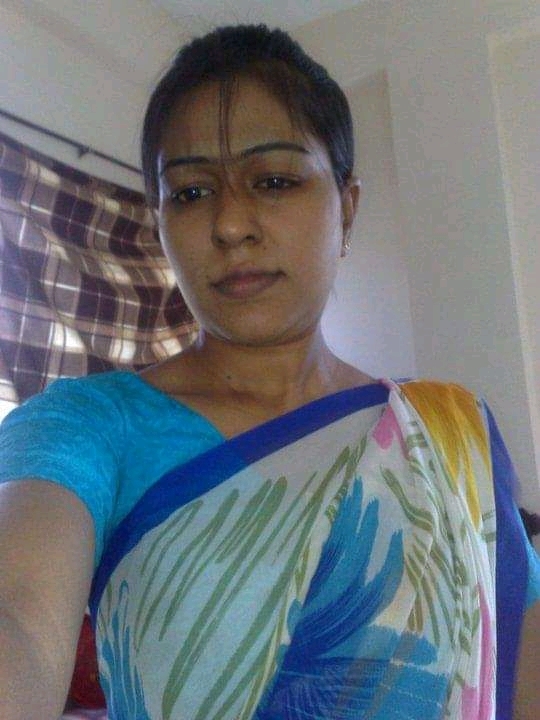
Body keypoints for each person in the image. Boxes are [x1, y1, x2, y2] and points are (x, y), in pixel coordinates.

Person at [0, 23, 538, 720]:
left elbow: (522, 664)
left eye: (275, 180)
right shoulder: (87, 425)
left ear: (347, 208)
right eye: (191, 193)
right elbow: (19, 615)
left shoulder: (450, 433)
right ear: (159, 222)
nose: (230, 224)